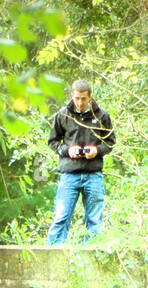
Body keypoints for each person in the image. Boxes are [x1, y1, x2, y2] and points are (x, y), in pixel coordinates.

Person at [46, 80, 116, 245]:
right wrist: (67, 150)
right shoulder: (63, 115)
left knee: (94, 221)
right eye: (77, 98)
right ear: (72, 95)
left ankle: (93, 256)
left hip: (93, 175)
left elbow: (110, 142)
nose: (80, 102)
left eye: (83, 99)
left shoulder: (102, 116)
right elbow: (52, 141)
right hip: (69, 175)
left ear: (90, 97)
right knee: (61, 217)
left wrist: (97, 151)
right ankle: (53, 255)